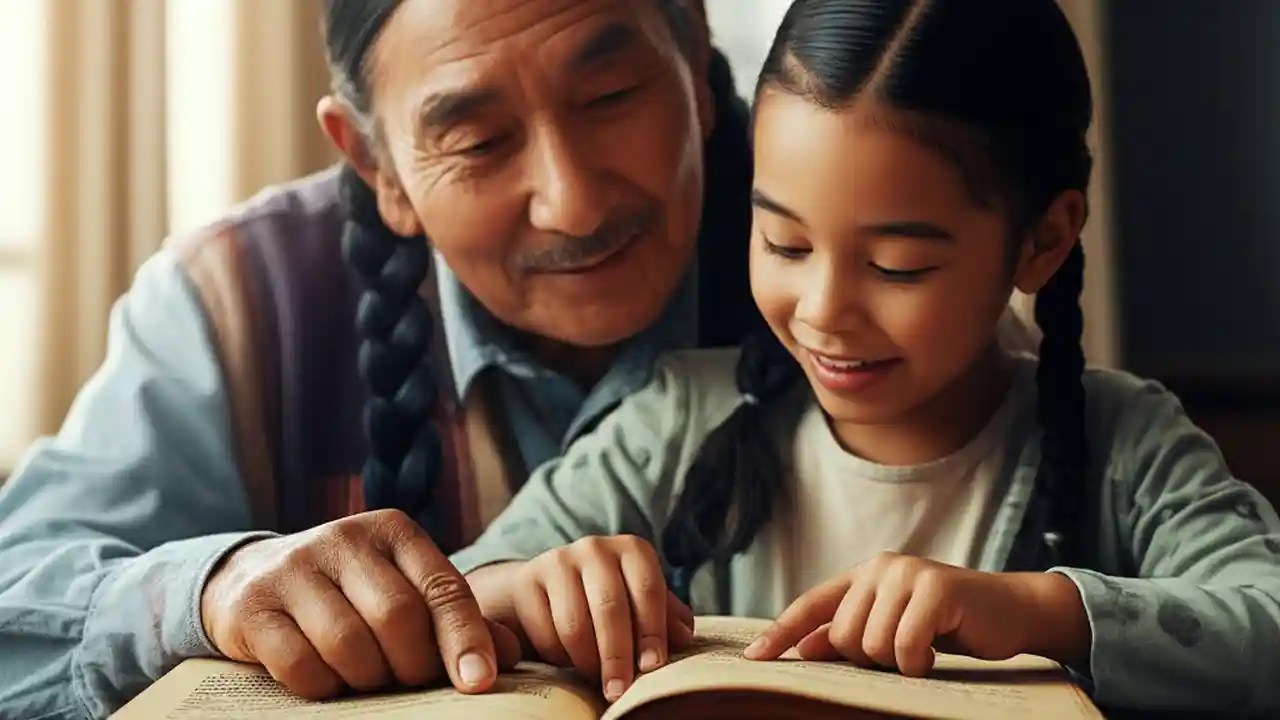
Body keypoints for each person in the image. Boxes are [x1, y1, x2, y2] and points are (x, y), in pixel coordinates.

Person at [453, 0, 1280, 713]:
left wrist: (1039, 612)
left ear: (1045, 240)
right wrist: (520, 589)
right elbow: (461, 590)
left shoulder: (1125, 446)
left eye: (897, 267)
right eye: (783, 242)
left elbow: (1265, 620)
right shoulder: (673, 424)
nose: (823, 313)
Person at [0, 1, 768, 717]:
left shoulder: (852, 249)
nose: (572, 202)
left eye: (611, 96)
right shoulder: (238, 300)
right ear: (377, 168)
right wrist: (213, 591)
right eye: (479, 143)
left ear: (696, 66)